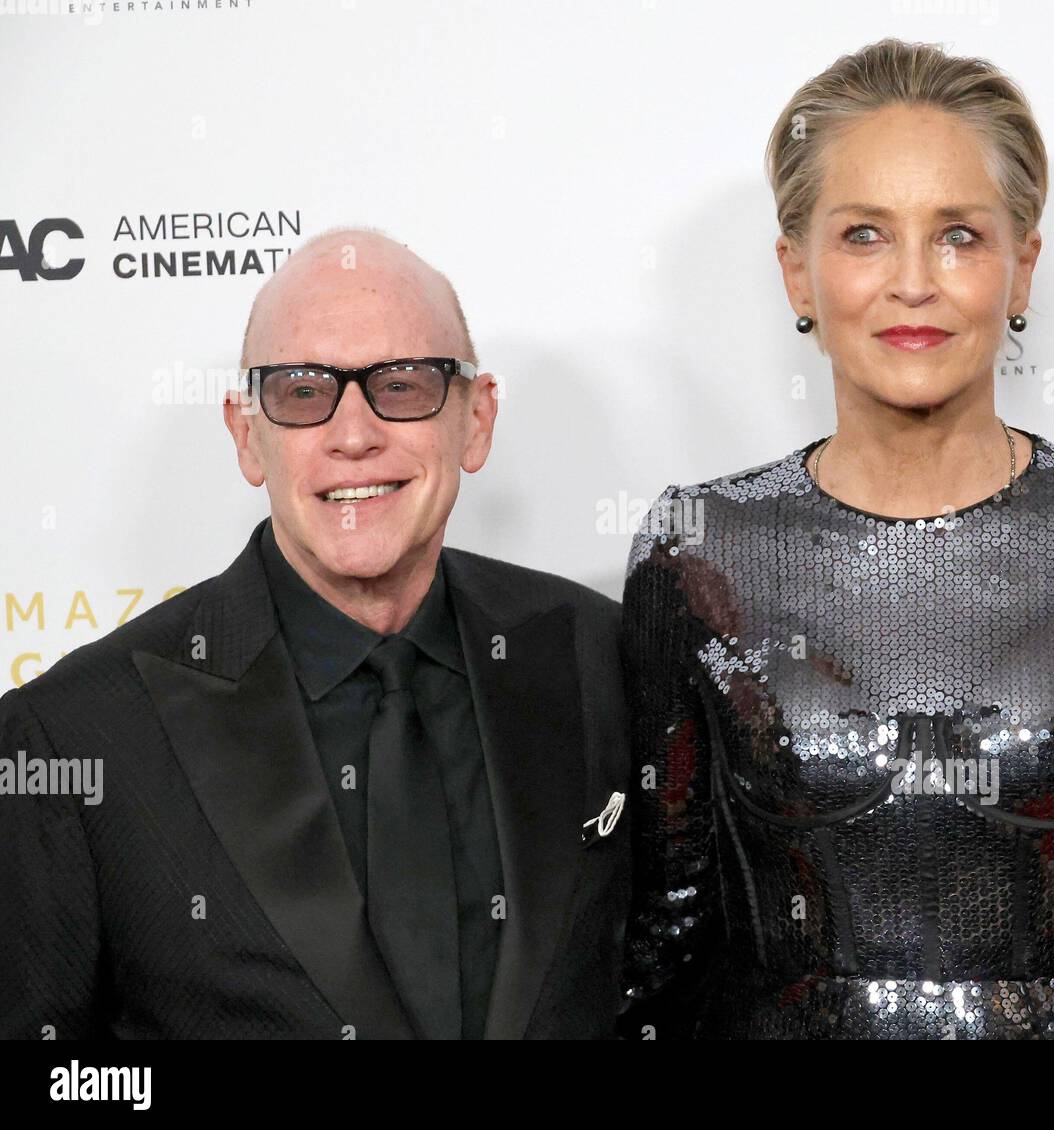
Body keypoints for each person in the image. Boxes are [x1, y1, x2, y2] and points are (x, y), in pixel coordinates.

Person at [617, 38, 1054, 1039]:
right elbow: (663, 934)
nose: (911, 283)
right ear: (795, 274)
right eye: (862, 235)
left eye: (958, 236)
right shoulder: (700, 548)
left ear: (1021, 267)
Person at [0, 227, 630, 1040]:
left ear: (476, 421)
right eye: (304, 392)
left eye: (403, 386)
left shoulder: (599, 655)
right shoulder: (71, 736)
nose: (354, 433)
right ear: (245, 434)